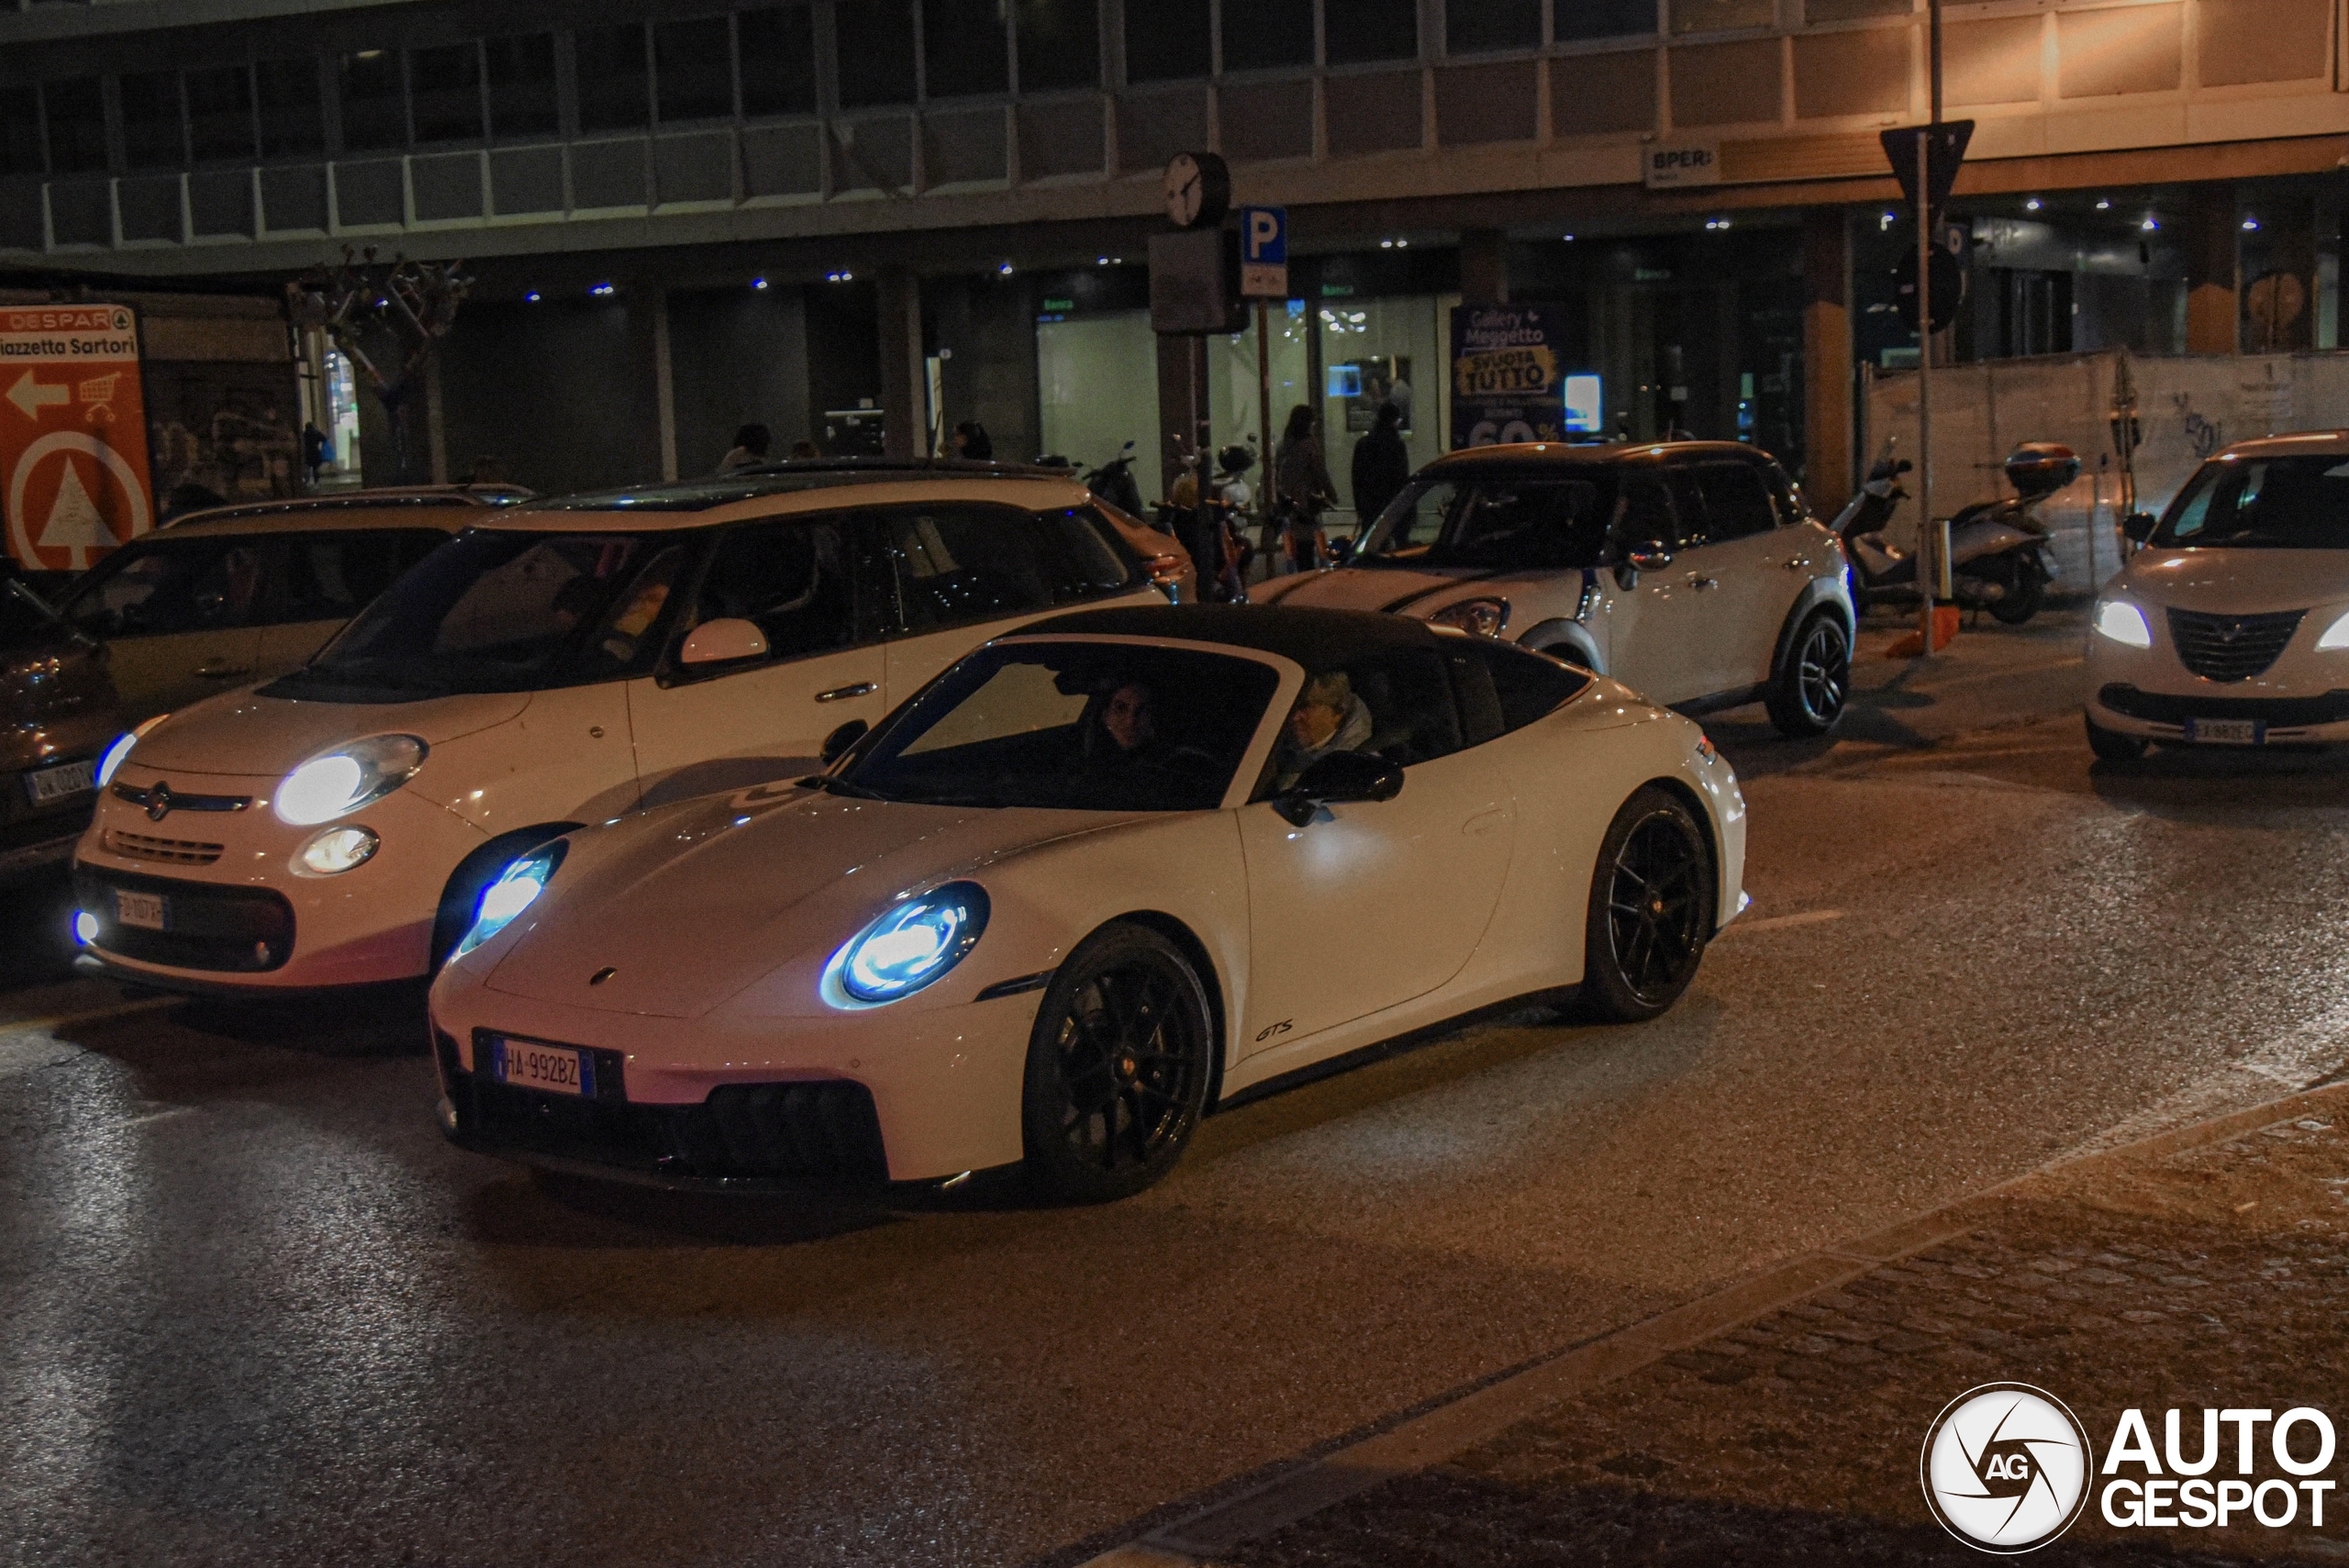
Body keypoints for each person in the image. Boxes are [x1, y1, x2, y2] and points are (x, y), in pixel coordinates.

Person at [1271, 671, 1375, 790]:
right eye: (1292, 706)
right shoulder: (1273, 741)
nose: (1294, 717)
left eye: (1305, 707)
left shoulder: (1354, 770)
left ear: (1338, 712)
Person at [1271, 405, 1337, 574]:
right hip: (1305, 501)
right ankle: (1307, 577)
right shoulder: (1308, 445)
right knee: (1307, 543)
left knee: (1293, 545)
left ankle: (1295, 573)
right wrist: (1330, 493)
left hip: (1288, 501)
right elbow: (1319, 471)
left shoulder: (1284, 445)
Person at [1351, 402, 1410, 537]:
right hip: (1392, 506)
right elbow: (1401, 476)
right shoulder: (1396, 445)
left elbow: (1357, 477)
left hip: (1370, 505)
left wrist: (1360, 506)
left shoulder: (1363, 444)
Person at [301, 421, 328, 486]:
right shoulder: (316, 433)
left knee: (307, 467)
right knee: (315, 468)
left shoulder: (304, 434)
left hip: (307, 453)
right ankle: (316, 481)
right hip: (315, 453)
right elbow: (324, 439)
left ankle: (307, 481)